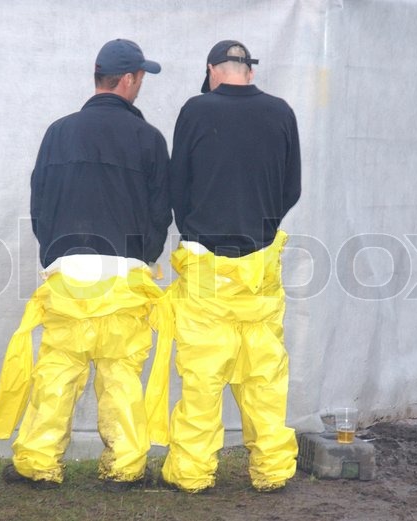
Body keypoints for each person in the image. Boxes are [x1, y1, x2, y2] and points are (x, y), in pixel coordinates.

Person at [0, 39, 172, 491]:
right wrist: (141, 256)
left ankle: (36, 464)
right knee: (121, 375)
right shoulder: (148, 139)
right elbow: (159, 211)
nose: (141, 85)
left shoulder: (59, 132)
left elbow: (41, 204)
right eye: (141, 78)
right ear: (128, 80)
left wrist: (55, 253)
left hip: (68, 272)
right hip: (124, 274)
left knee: (57, 370)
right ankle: (126, 467)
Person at [147, 40, 301, 494]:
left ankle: (192, 474)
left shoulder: (195, 111)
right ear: (248, 72)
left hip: (205, 271)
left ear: (212, 71)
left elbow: (178, 187)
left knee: (202, 377)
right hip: (260, 269)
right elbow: (291, 188)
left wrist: (196, 226)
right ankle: (273, 471)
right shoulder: (282, 112)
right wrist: (263, 226)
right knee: (264, 376)